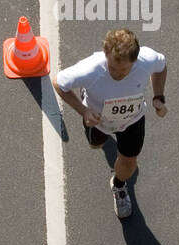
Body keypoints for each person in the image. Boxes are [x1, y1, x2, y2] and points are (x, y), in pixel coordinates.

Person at [53, 28, 166, 220]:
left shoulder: (146, 60)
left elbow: (161, 67)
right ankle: (86, 96)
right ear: (105, 54)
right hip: (99, 121)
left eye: (124, 70)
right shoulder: (91, 69)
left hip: (133, 119)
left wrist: (158, 96)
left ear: (135, 61)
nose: (117, 74)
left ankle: (119, 184)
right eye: (112, 68)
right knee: (96, 144)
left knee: (129, 161)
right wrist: (84, 111)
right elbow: (59, 83)